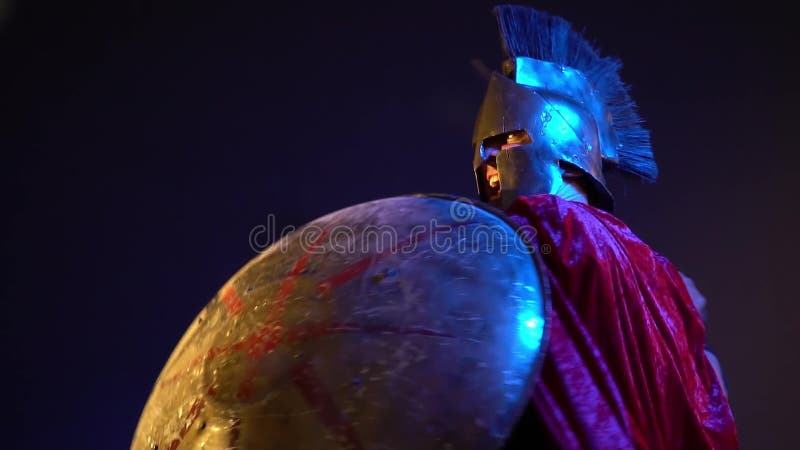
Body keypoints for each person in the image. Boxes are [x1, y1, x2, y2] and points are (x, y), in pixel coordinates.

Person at [471, 5, 739, 448]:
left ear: (563, 151)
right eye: (486, 155)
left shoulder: (543, 230)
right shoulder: (671, 281)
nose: (491, 172)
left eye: (506, 144)